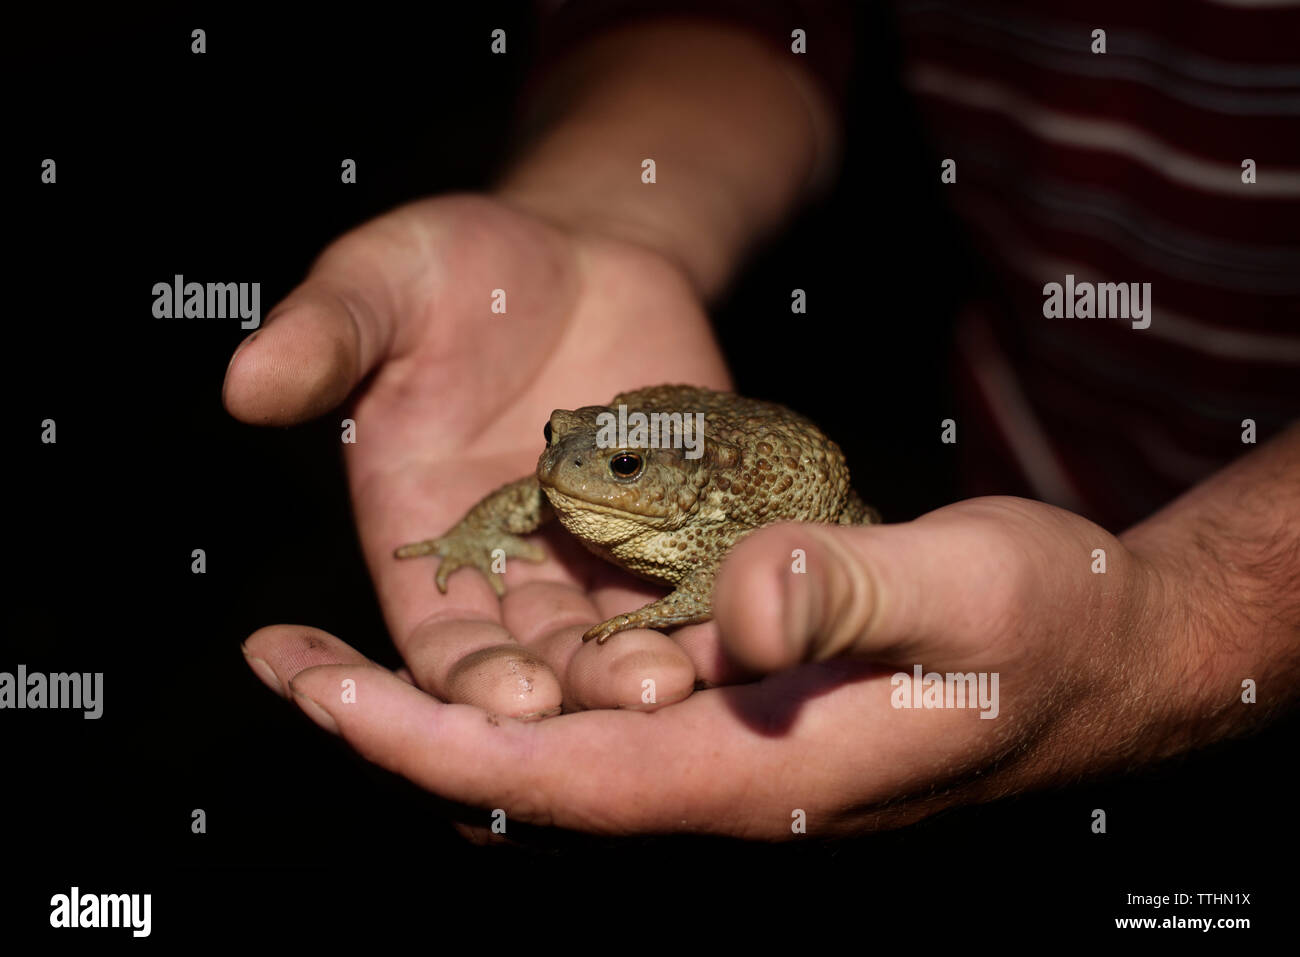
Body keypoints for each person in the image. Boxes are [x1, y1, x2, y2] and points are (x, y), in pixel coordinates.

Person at [226, 8, 1299, 838]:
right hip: (1034, 417)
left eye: (616, 464)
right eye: (561, 439)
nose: (561, 468)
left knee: (855, 572)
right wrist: (599, 223)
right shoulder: (580, 473)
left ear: (671, 477)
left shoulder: (707, 508)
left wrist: (1184, 630)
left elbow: (722, 567)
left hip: (833, 487)